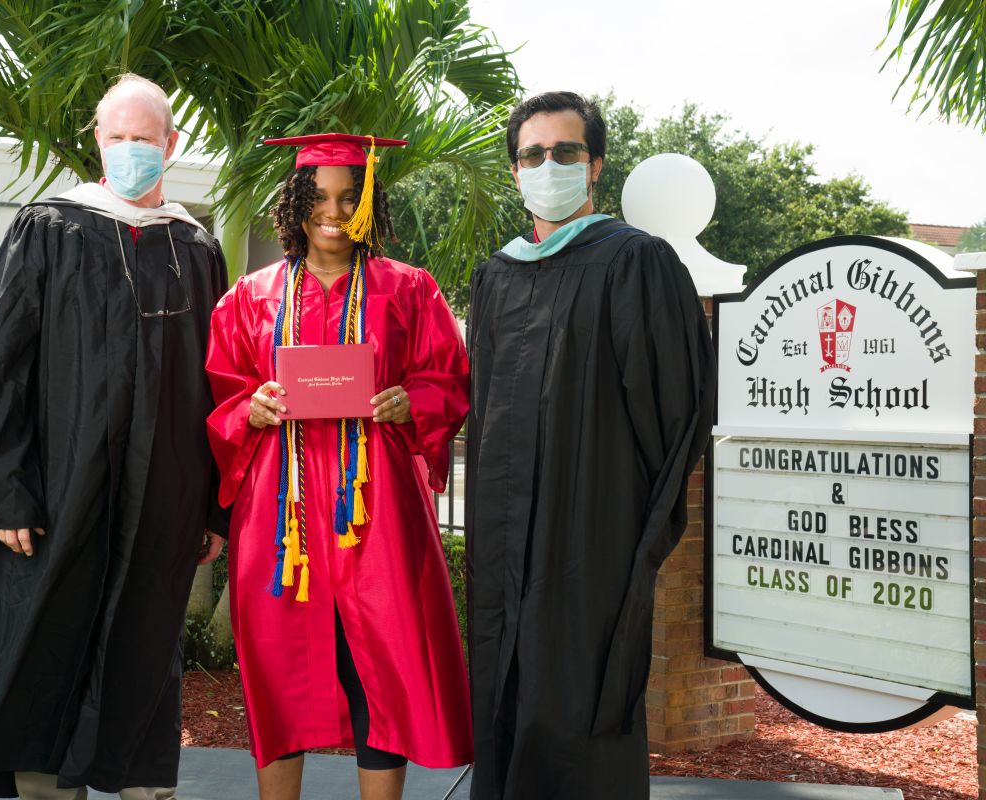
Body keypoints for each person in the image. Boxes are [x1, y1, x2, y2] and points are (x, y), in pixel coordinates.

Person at [0, 74, 229, 800]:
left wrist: (211, 508)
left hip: (164, 494)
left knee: (143, 639)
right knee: (46, 632)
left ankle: (140, 782)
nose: (133, 150)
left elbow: (214, 383)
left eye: (146, 138)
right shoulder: (52, 227)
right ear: (99, 142)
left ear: (172, 144)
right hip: (55, 489)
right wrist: (7, 490)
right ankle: (45, 787)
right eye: (118, 138)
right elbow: (2, 366)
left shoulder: (194, 247)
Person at [205, 133, 473, 800]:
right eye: (317, 198)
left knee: (376, 665)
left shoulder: (409, 289)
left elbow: (450, 381)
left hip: (376, 512)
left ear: (369, 206)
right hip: (280, 516)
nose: (333, 211)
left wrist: (413, 400)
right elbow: (218, 395)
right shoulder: (250, 296)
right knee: (277, 666)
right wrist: (251, 410)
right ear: (295, 204)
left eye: (349, 198)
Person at [465, 92, 717, 799]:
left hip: (590, 538)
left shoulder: (638, 263)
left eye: (565, 152)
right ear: (515, 172)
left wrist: (630, 529)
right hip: (502, 535)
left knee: (578, 699)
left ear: (595, 164)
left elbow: (677, 416)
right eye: (532, 154)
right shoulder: (497, 275)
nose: (549, 165)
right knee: (505, 689)